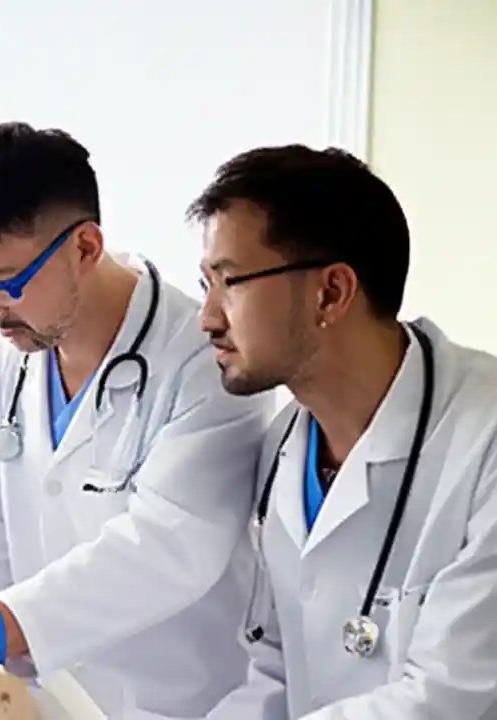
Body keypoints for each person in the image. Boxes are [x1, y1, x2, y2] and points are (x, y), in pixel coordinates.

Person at [0, 122, 272, 717]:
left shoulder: (203, 359)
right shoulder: (10, 362)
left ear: (84, 248)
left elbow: (172, 544)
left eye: (3, 283)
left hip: (173, 706)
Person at [191, 146, 497, 718]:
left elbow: (446, 698)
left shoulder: (485, 441)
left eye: (229, 281)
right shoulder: (284, 446)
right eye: (205, 283)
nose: (207, 317)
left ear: (331, 293)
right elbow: (276, 670)